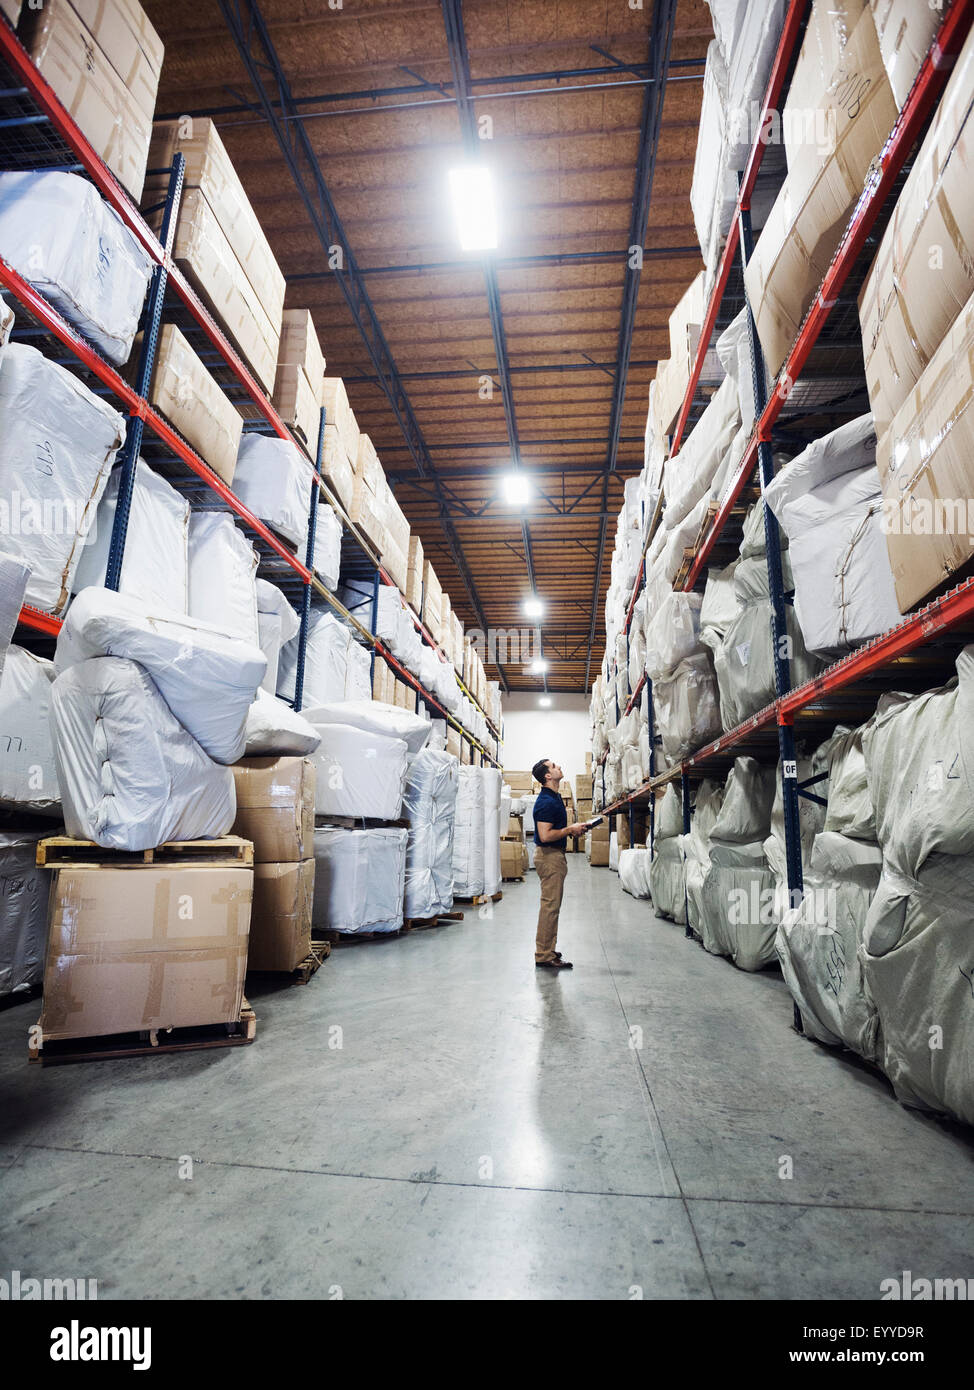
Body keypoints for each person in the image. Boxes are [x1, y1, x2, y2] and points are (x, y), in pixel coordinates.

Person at [531, 758, 587, 971]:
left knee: (552, 906)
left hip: (554, 856)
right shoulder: (546, 802)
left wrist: (573, 830)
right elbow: (545, 835)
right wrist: (569, 830)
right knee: (550, 907)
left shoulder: (553, 797)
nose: (559, 767)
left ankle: (548, 948)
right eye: (554, 766)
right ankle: (544, 954)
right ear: (547, 776)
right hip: (549, 856)